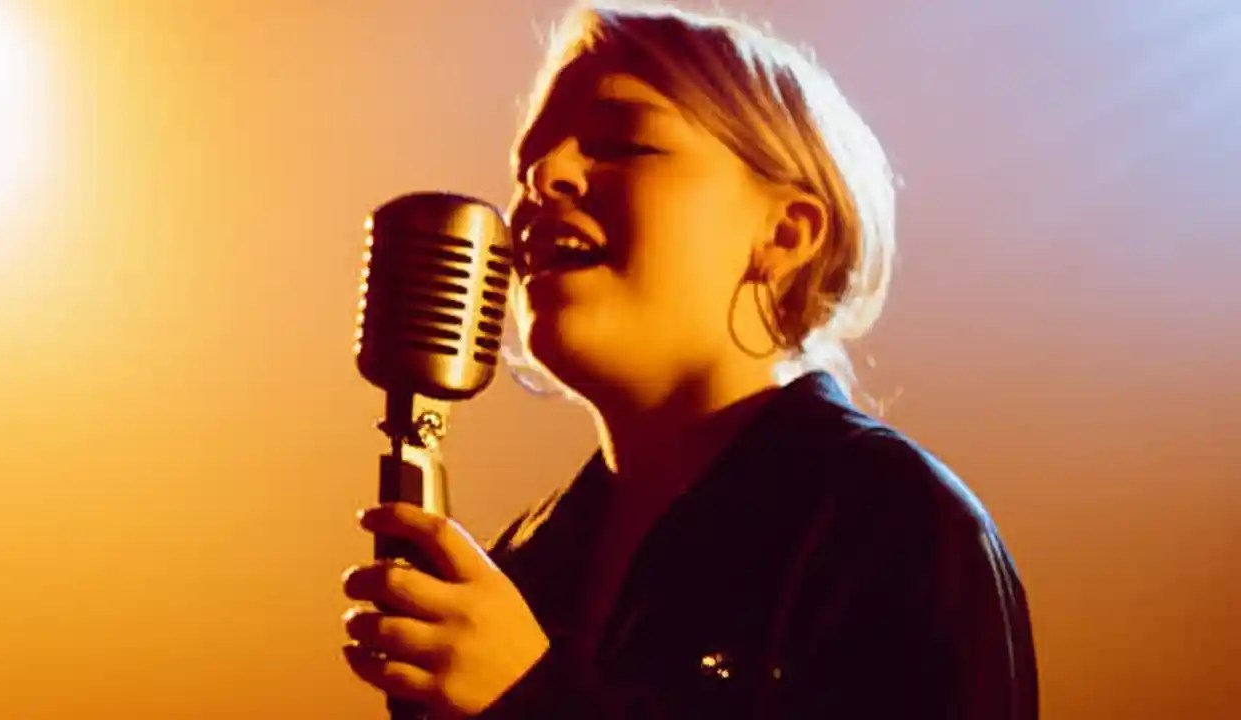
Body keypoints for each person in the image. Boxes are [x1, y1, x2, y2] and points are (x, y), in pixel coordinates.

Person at [339, 2, 1038, 718]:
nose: (545, 176)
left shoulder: (898, 529)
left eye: (620, 143)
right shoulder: (528, 565)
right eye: (527, 168)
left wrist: (532, 701)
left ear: (786, 232)